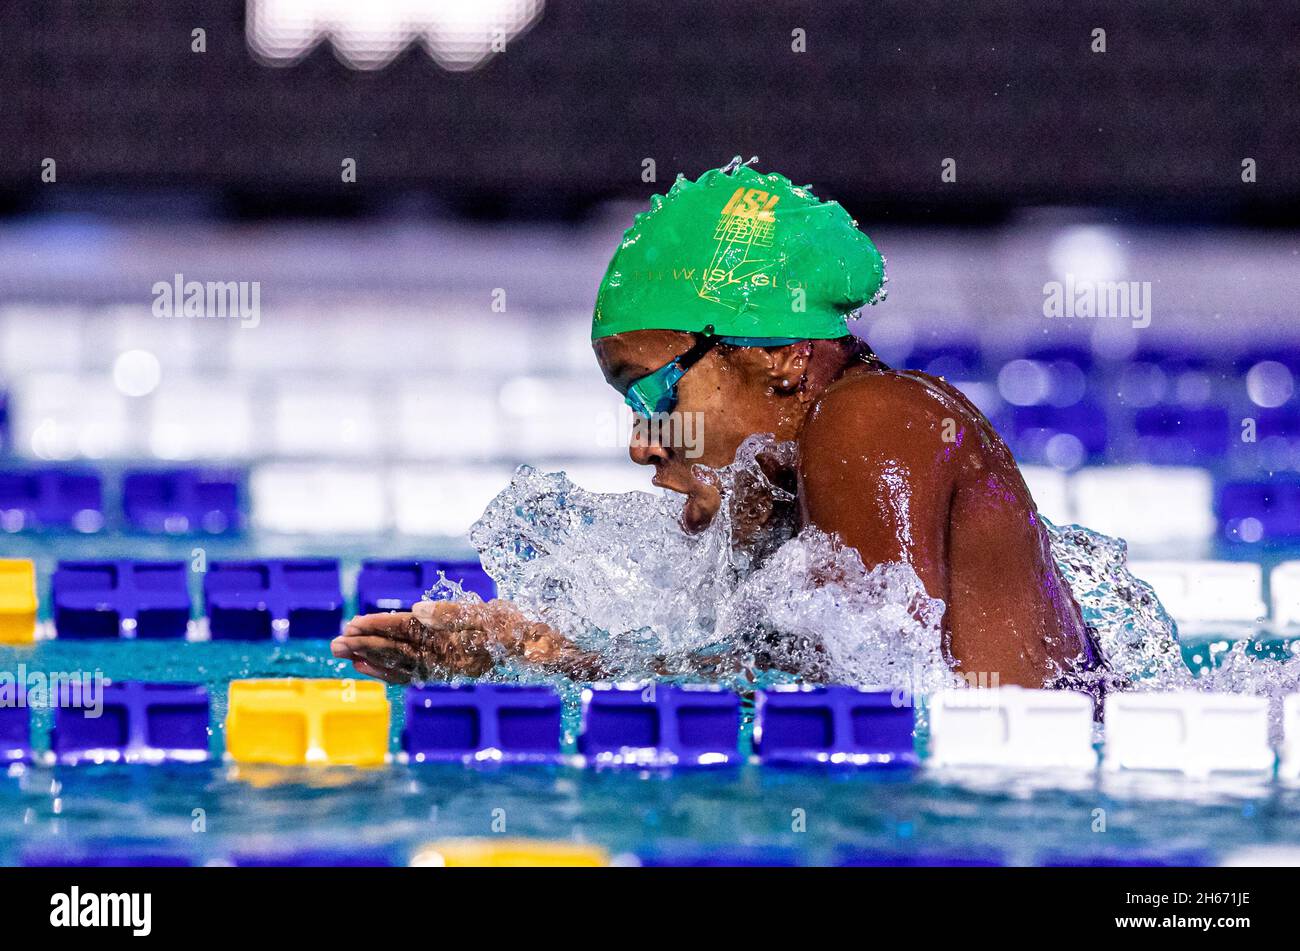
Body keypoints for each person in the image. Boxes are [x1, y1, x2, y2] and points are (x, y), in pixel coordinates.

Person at [332, 162, 1098, 688]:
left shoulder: (870, 418)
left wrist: (543, 654)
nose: (641, 442)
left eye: (656, 393)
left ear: (782, 358)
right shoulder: (797, 493)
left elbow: (875, 686)